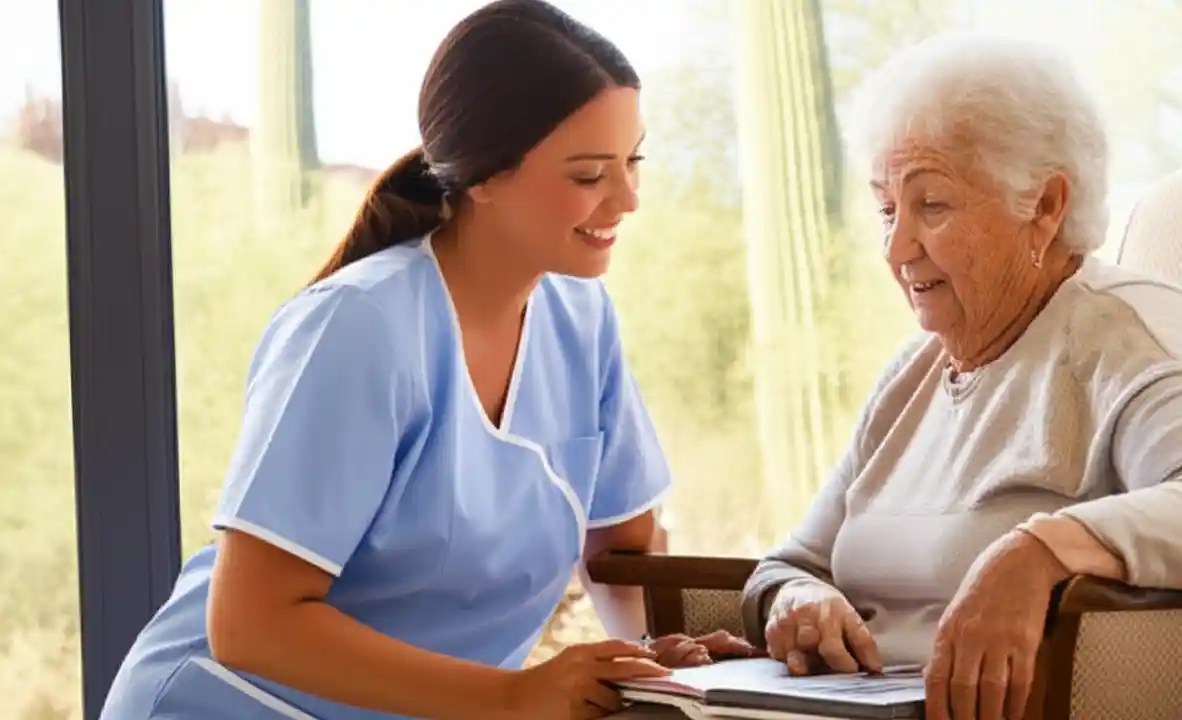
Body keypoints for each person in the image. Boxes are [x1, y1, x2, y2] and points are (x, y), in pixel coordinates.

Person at [101, 2, 752, 719]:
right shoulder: (361, 327)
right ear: (484, 177)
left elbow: (621, 560)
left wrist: (672, 657)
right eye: (590, 174)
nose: (628, 198)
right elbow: (251, 624)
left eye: (634, 161)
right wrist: (513, 695)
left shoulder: (581, 319)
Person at [740, 33, 1182, 720]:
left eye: (932, 205)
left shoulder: (1118, 333)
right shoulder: (912, 376)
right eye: (886, 208)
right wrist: (798, 601)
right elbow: (788, 565)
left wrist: (1037, 550)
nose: (897, 247)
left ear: (1046, 207)